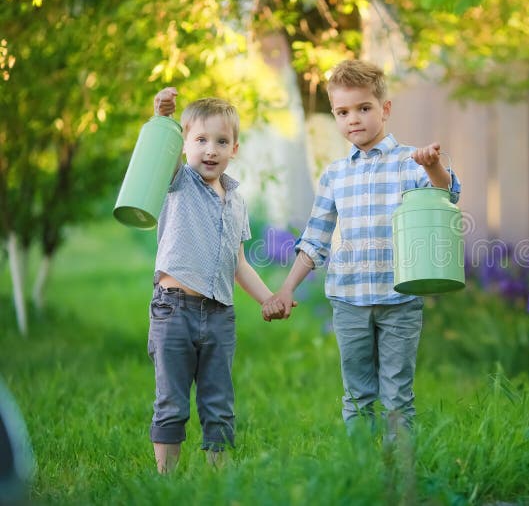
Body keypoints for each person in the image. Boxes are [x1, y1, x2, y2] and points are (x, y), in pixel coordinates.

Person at [263, 59, 461, 437]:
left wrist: (433, 166)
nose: (353, 119)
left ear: (384, 109)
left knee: (397, 395)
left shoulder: (410, 162)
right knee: (356, 395)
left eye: (363, 108)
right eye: (342, 111)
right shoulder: (336, 174)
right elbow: (315, 237)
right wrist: (287, 288)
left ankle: (399, 478)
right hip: (348, 299)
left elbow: (447, 194)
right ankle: (361, 473)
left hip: (400, 298)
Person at [147, 88, 290, 473]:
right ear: (185, 146)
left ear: (235, 149)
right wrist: (162, 117)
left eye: (221, 141)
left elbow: (238, 263)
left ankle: (217, 475)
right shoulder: (178, 181)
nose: (210, 150)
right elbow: (158, 153)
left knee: (218, 400)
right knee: (172, 400)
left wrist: (266, 298)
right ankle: (165, 478)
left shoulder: (236, 200)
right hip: (173, 309)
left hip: (220, 314)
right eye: (201, 140)